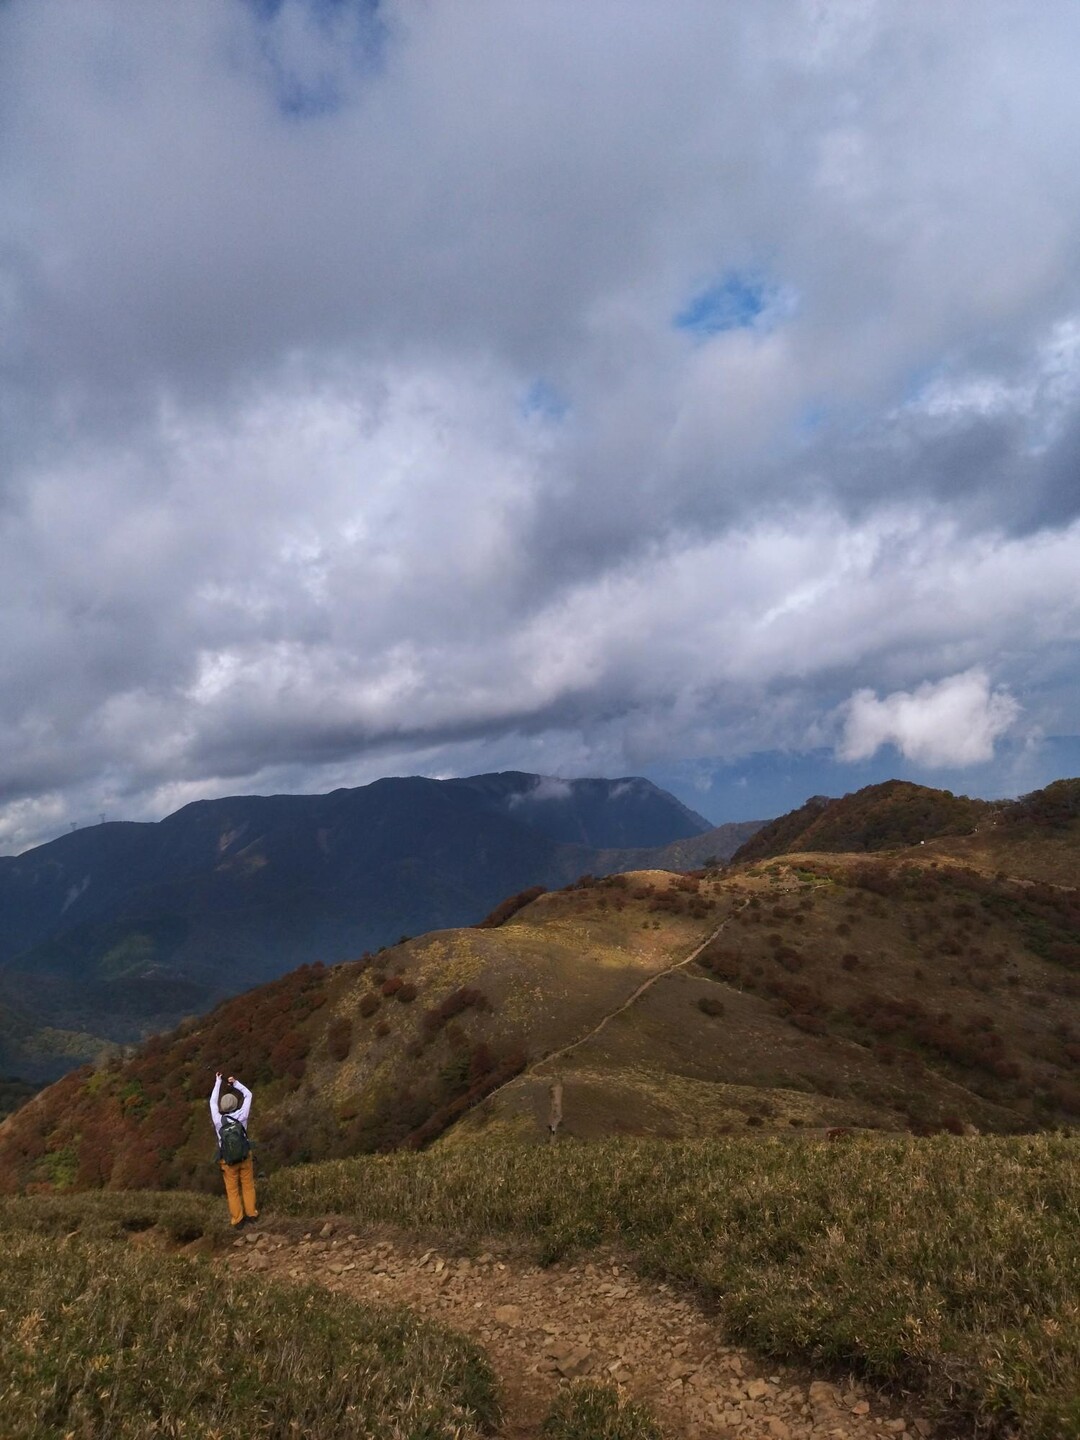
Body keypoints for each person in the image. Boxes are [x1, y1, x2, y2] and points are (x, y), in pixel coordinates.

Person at [210, 1071, 258, 1228]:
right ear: (236, 1104)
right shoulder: (242, 1115)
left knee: (232, 1190)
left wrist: (218, 1082)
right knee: (248, 1185)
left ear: (222, 1107)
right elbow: (248, 1095)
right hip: (245, 1156)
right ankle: (252, 1214)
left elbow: (212, 1102)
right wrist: (235, 1083)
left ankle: (238, 1220)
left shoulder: (218, 1120)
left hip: (227, 1161)